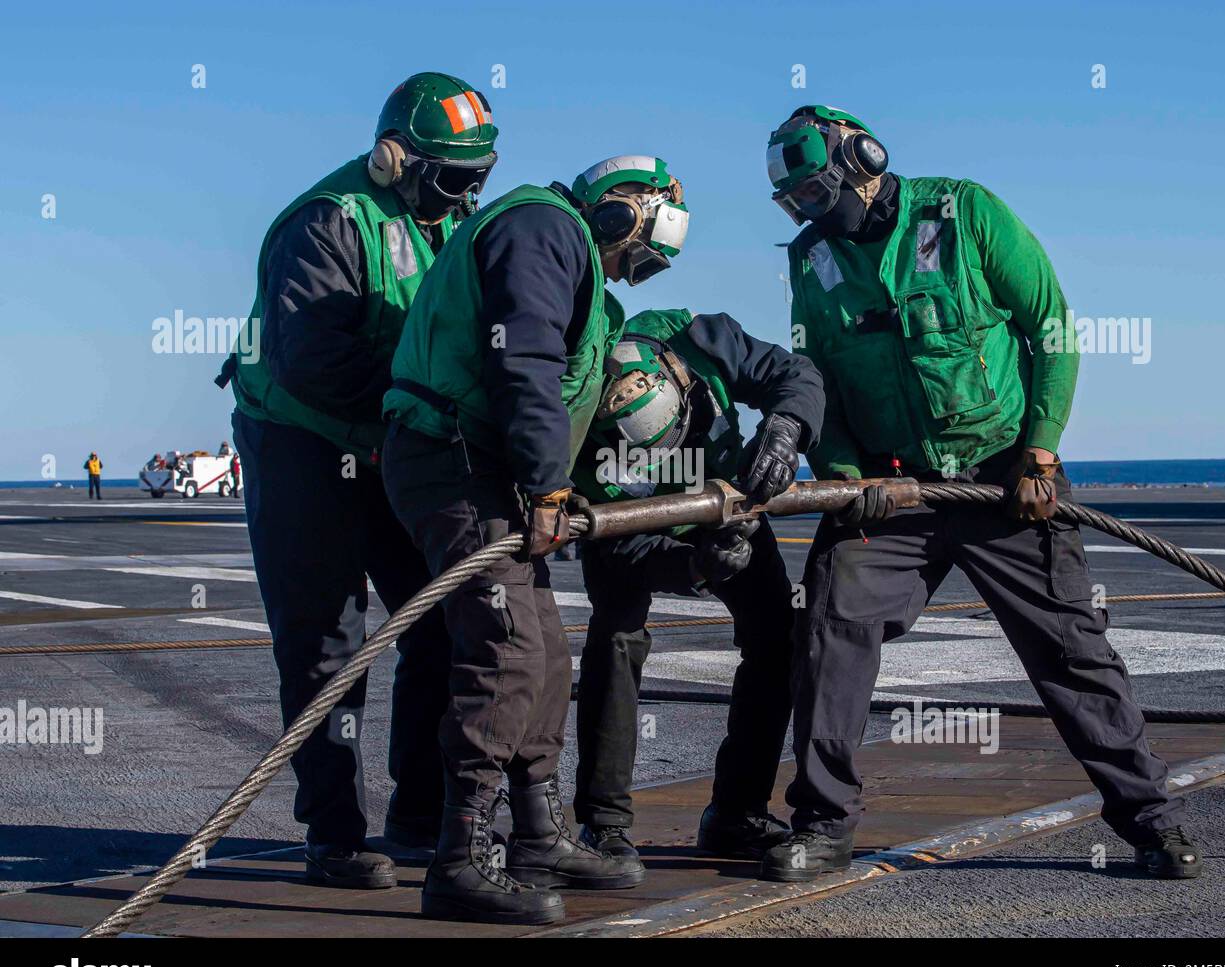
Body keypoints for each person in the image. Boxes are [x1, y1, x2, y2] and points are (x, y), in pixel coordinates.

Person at [761, 104, 1202, 883]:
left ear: (864, 160)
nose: (814, 215)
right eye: (798, 205)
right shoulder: (813, 260)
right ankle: (823, 825)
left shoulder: (965, 212)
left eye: (819, 195)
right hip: (892, 491)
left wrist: (1040, 452)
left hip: (1004, 482)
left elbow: (1051, 326)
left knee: (1072, 654)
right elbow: (815, 376)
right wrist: (844, 478)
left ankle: (1151, 822)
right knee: (829, 636)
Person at [382, 155, 690, 924]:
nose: (628, 270)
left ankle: (538, 835)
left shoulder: (557, 242)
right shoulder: (543, 229)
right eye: (638, 250)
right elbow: (524, 359)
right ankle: (461, 858)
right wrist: (548, 483)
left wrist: (552, 481)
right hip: (454, 463)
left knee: (546, 655)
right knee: (507, 650)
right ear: (620, 214)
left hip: (489, 473)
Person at [217, 72, 498, 889]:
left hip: (386, 438)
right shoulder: (328, 222)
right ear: (394, 159)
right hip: (301, 440)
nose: (463, 195)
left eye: (477, 178)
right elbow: (314, 365)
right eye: (450, 178)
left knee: (439, 615)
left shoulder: (449, 220)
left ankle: (419, 811)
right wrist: (428, 405)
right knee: (327, 643)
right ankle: (334, 835)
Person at [568, 308, 824, 875]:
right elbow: (620, 552)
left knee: (776, 636)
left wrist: (785, 430)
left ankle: (737, 812)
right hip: (632, 522)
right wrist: (694, 567)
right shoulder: (585, 438)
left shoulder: (696, 336)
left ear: (682, 387)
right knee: (616, 639)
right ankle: (603, 824)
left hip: (727, 502)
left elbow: (796, 374)